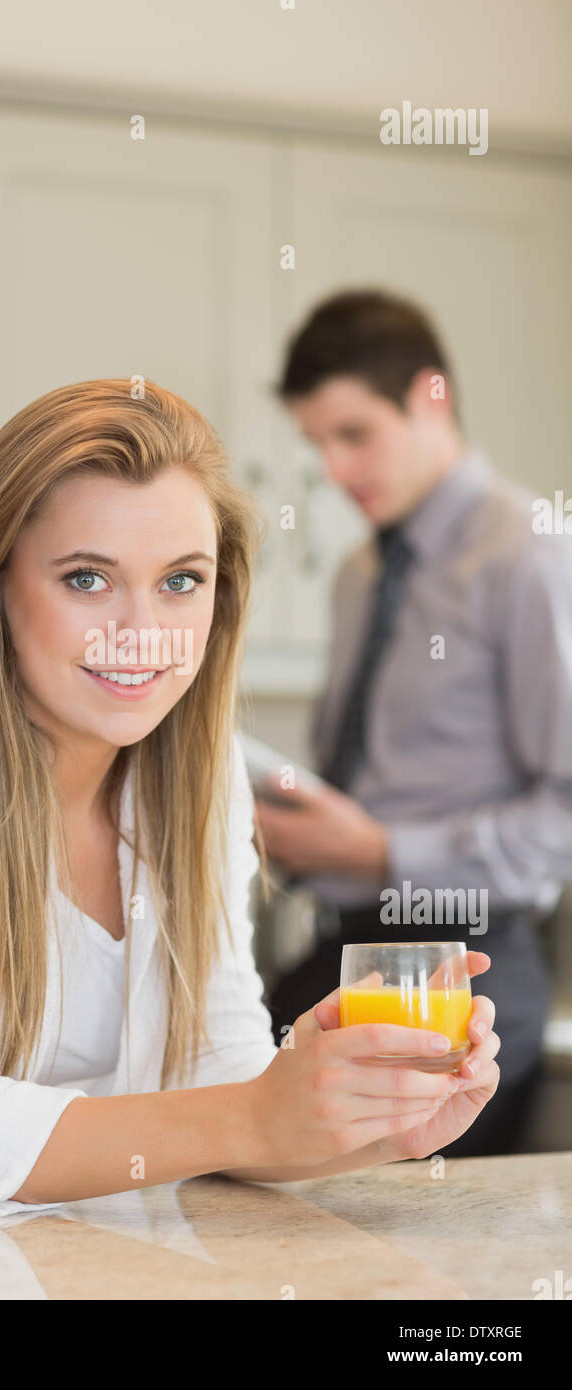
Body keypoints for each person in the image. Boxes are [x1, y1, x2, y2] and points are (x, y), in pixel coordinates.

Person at [0, 379, 499, 1216]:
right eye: (87, 579)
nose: (141, 630)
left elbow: (212, 1076)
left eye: (181, 581)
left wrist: (364, 1118)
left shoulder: (198, 776)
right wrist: (253, 1116)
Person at [258, 290, 571, 1157]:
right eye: (316, 443)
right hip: (347, 952)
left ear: (430, 397)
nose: (334, 467)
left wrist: (383, 855)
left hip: (463, 965)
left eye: (353, 435)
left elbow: (566, 812)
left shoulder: (531, 554)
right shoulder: (361, 571)